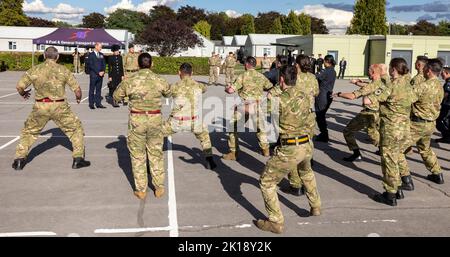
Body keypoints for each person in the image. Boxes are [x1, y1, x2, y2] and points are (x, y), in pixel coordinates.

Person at [255, 65, 321, 234]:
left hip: (290, 147)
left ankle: (275, 222)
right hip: (306, 145)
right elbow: (311, 119)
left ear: (281, 79)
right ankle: (315, 206)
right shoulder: (305, 96)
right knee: (307, 173)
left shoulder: (280, 99)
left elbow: (259, 110)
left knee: (266, 182)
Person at [12, 47, 90, 171]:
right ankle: (78, 159)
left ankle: (19, 160)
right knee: (75, 129)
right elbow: (77, 90)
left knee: (29, 132)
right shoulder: (63, 70)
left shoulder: (35, 69)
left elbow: (19, 86)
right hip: (60, 106)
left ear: (44, 56)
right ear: (57, 57)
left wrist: (23, 93)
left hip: (40, 106)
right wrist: (78, 98)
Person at [113, 53, 171, 200]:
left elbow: (116, 96)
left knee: (138, 156)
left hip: (137, 121)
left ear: (138, 65)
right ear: (151, 64)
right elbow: (169, 93)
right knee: (156, 153)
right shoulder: (159, 79)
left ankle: (141, 190)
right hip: (155, 120)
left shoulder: (130, 80)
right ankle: (159, 187)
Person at [367, 58, 416, 206]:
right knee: (396, 158)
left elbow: (368, 101)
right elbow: (414, 99)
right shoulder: (408, 84)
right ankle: (398, 189)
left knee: (389, 161)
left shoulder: (391, 86)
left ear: (393, 69)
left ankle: (390, 194)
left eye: (390, 68)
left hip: (391, 129)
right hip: (404, 129)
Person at [163, 63, 217, 170]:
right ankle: (210, 159)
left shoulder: (174, 86)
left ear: (179, 73)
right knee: (205, 136)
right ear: (192, 73)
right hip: (194, 121)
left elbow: (166, 94)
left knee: (156, 134)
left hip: (177, 122)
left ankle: (150, 160)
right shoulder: (198, 85)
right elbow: (204, 88)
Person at [400, 59, 445, 187]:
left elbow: (406, 100)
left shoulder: (424, 86)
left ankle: (406, 179)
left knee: (396, 150)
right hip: (430, 124)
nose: (423, 70)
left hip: (417, 124)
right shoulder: (439, 85)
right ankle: (437, 174)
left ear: (429, 71)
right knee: (425, 149)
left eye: (425, 68)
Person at [279, 54, 319, 197]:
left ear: (297, 64)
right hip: (309, 115)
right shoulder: (313, 78)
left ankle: (296, 185)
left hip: (295, 115)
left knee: (293, 147)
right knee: (307, 144)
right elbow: (317, 92)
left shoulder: (295, 78)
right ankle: (306, 175)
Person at [223, 56, 272, 160]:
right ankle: (266, 150)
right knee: (261, 128)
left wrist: (227, 89)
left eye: (245, 63)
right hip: (258, 105)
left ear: (247, 64)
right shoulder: (261, 76)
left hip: (245, 106)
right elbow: (270, 87)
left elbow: (231, 90)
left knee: (233, 127)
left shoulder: (243, 76)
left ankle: (233, 152)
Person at [334, 64, 385, 162]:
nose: (367, 73)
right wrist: (357, 83)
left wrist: (339, 94)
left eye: (369, 71)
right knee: (374, 134)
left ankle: (356, 154)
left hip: (368, 114)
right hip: (378, 113)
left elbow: (352, 96)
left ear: (373, 72)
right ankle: (385, 152)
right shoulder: (382, 84)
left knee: (348, 131)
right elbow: (368, 85)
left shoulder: (371, 86)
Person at [314, 55, 337, 142]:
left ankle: (324, 135)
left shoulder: (326, 71)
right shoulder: (333, 71)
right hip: (328, 95)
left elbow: (316, 76)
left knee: (320, 116)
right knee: (321, 116)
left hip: (322, 96)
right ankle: (324, 134)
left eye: (324, 61)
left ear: (327, 62)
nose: (323, 63)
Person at [87, 42, 106, 109]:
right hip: (94, 75)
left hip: (100, 75)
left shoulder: (101, 54)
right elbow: (91, 65)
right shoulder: (91, 55)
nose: (101, 48)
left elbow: (104, 64)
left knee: (98, 90)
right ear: (96, 46)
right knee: (92, 90)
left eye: (101, 47)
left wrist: (103, 71)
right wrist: (98, 72)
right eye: (100, 47)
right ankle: (91, 104)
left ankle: (98, 103)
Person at [436, 66, 450, 143]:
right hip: (447, 105)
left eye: (442, 73)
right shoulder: (447, 81)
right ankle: (446, 137)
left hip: (447, 106)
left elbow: (445, 95)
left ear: (447, 73)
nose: (441, 75)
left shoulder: (448, 83)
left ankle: (447, 137)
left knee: (441, 121)